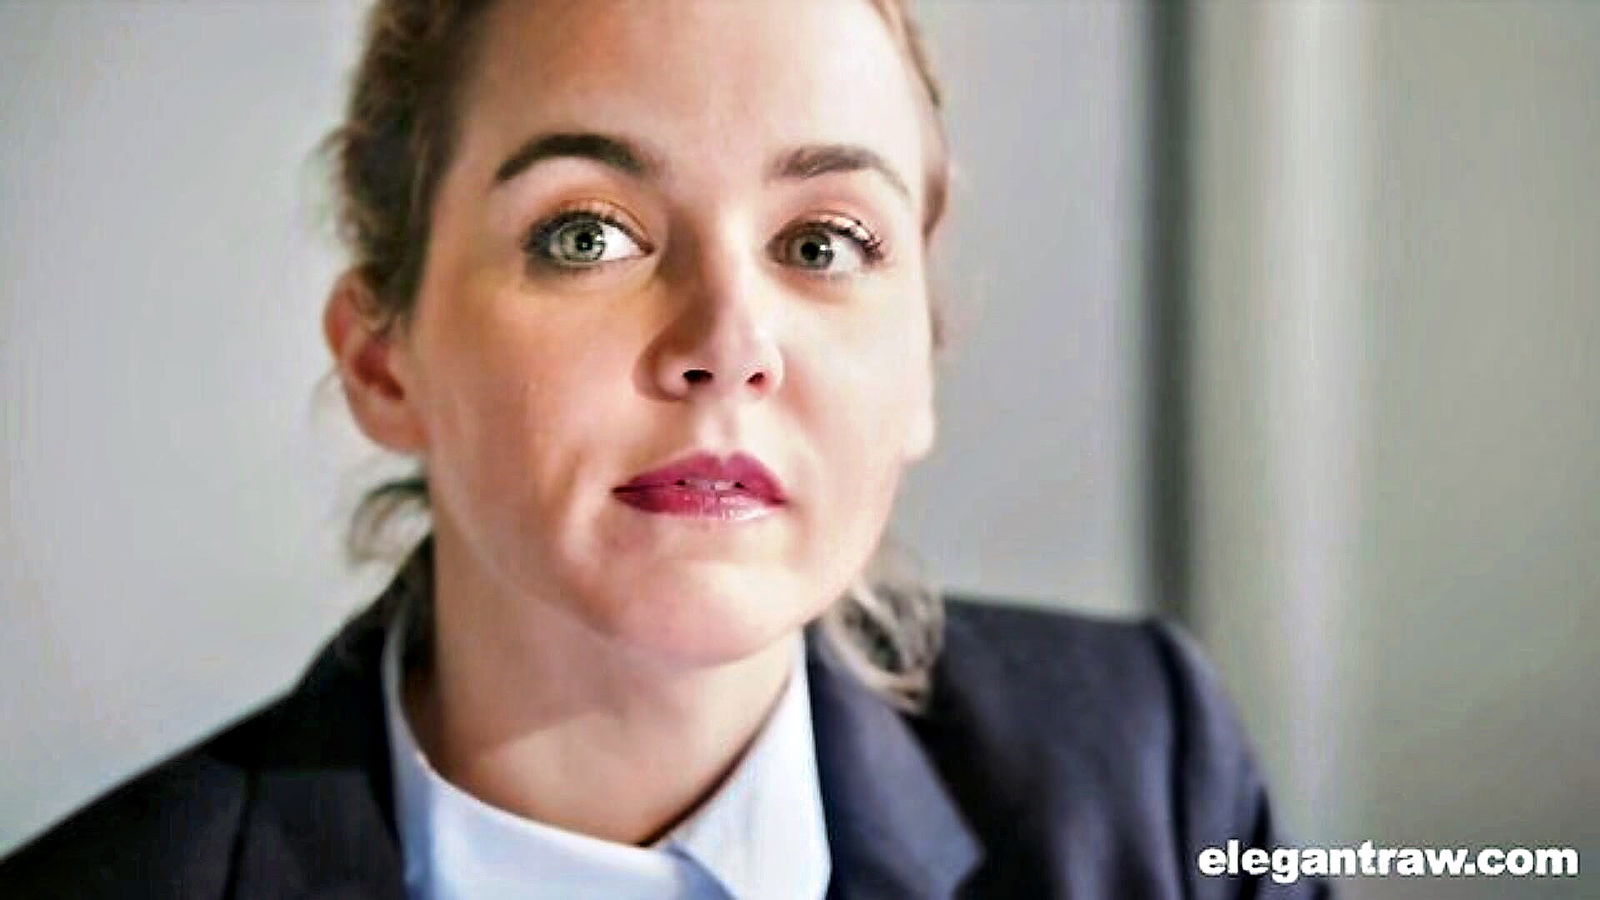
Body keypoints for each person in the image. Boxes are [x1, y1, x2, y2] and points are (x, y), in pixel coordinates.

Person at [0, 1, 1325, 897]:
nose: (730, 342)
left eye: (823, 244)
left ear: (923, 355)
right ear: (382, 361)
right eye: (585, 234)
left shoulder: (1149, 776)